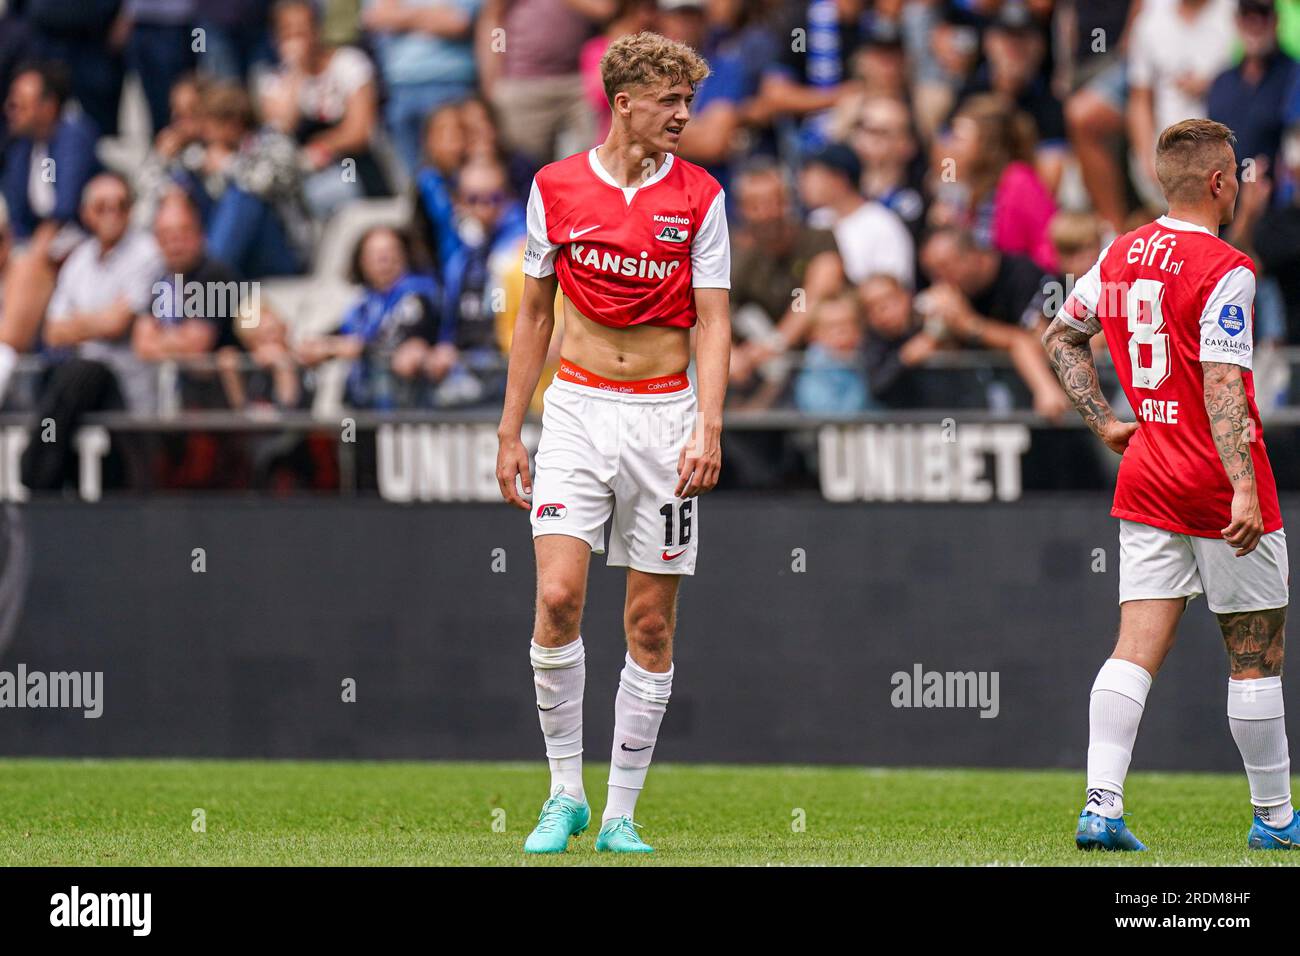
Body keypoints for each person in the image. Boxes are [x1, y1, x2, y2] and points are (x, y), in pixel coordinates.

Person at [495, 31, 730, 855]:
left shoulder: (700, 195)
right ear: (622, 102)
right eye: (670, 100)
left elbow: (714, 321)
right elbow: (533, 315)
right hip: (577, 411)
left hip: (665, 418)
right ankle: (565, 795)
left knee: (650, 625)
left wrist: (708, 422)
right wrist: (509, 427)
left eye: (687, 100)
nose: (684, 114)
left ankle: (623, 813)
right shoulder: (554, 187)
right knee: (558, 597)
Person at [1042, 118, 1293, 852]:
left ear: (1163, 180)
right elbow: (1222, 382)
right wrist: (1243, 487)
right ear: (1221, 182)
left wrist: (1103, 421)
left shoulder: (1121, 252)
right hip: (1216, 479)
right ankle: (1275, 820)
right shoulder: (1227, 268)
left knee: (1133, 647)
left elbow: (1061, 336)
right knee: (1254, 655)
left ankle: (1101, 805)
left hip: (1148, 471)